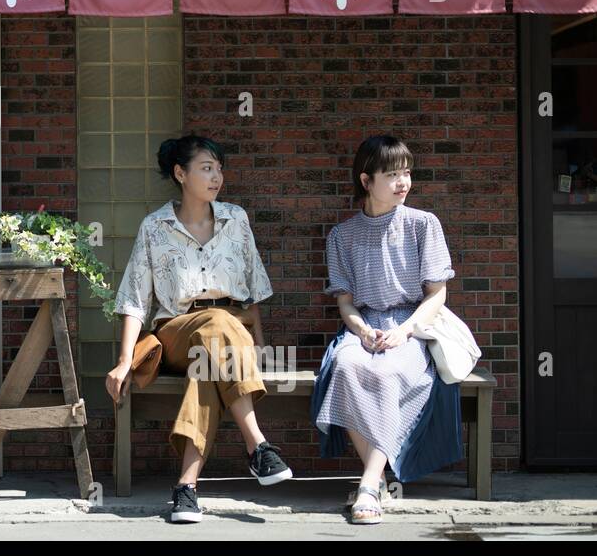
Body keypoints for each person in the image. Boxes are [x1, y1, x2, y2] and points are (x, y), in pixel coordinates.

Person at [105, 135, 292, 524]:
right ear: (180, 173)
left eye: (219, 169)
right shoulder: (155, 227)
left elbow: (253, 291)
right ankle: (257, 444)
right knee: (218, 323)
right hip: (175, 331)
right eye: (207, 168)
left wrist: (257, 349)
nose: (216, 176)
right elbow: (135, 300)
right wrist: (125, 361)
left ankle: (186, 487)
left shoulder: (235, 219)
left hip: (224, 342)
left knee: (209, 365)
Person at [310, 134, 462, 524]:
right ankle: (375, 480)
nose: (403, 182)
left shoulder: (423, 225)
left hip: (415, 324)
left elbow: (437, 296)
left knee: (392, 372)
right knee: (344, 367)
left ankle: (367, 485)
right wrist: (360, 330)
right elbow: (345, 301)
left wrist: (406, 331)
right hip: (364, 325)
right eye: (393, 174)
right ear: (366, 181)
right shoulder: (341, 235)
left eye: (407, 172)